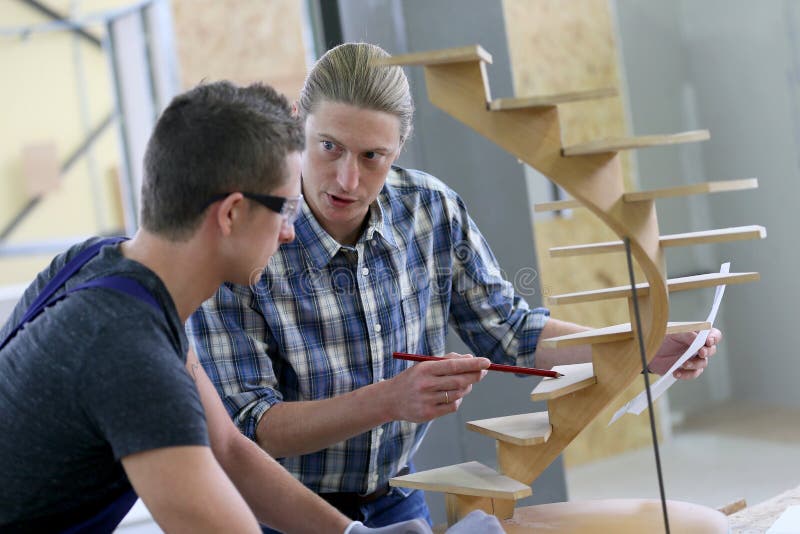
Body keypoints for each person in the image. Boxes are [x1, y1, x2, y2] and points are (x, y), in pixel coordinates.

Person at [187, 43, 721, 529]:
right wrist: (391, 400)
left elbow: (511, 333)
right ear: (298, 129)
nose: (347, 179)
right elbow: (252, 430)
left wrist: (640, 347)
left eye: (373, 156)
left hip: (394, 495)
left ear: (398, 149)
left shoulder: (431, 209)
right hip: (278, 509)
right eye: (329, 147)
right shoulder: (247, 235)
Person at [0, 80, 503, 534]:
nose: (289, 231)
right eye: (284, 209)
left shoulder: (100, 266)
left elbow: (230, 451)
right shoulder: (130, 355)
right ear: (233, 213)